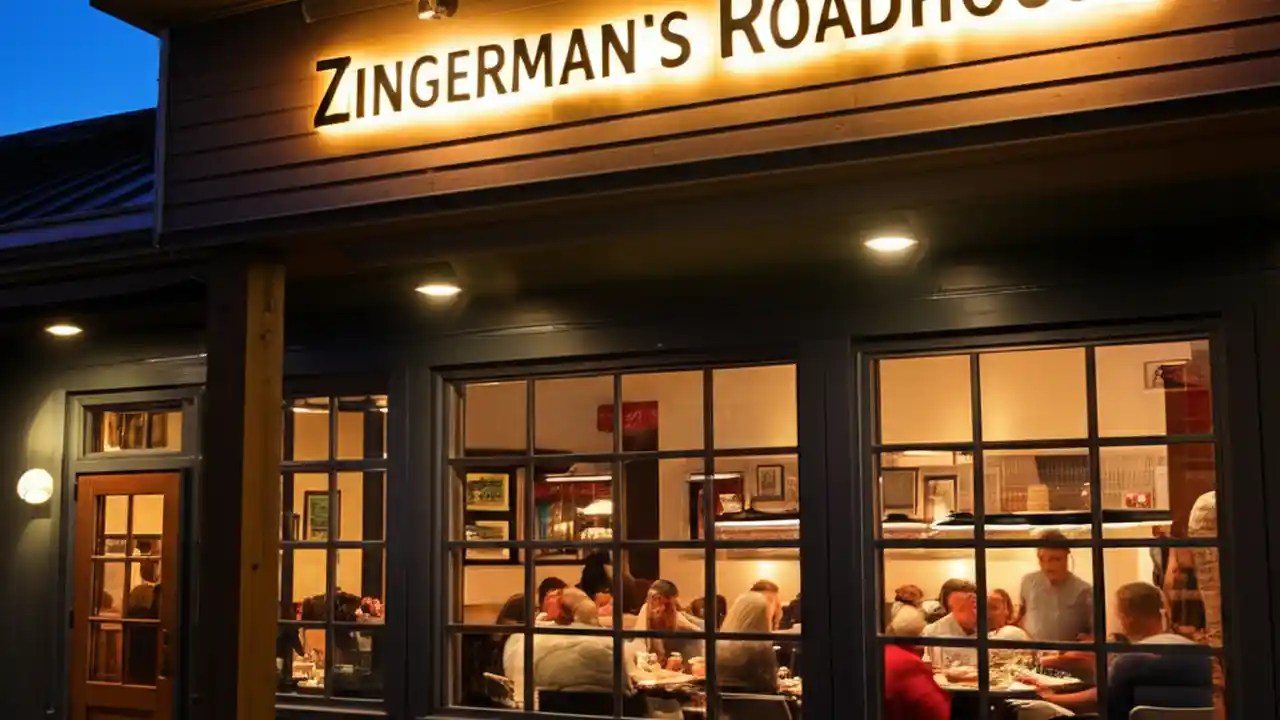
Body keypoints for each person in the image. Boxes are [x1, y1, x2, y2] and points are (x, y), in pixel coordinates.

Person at [1032, 583, 1212, 720]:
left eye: (1119, 614)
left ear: (1128, 619)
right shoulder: (1202, 655)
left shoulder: (1129, 663)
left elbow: (1098, 699)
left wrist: (1050, 697)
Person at [1016, 530, 1093, 643]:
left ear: (1066, 558)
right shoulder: (1027, 582)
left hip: (1069, 655)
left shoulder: (1084, 591)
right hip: (1033, 652)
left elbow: (1095, 634)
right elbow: (1021, 617)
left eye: (1055, 559)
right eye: (1042, 560)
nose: (1048, 567)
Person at [716, 592, 779, 693]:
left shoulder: (719, 645)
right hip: (758, 705)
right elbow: (771, 687)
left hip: (724, 707)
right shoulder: (760, 648)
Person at [630, 579, 703, 664]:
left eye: (666, 605)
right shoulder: (645, 611)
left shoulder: (687, 627)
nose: (658, 610)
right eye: (654, 601)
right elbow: (639, 645)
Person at [921, 579, 978, 668]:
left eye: (974, 606)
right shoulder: (932, 633)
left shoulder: (990, 629)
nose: (972, 612)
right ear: (948, 609)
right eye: (962, 608)